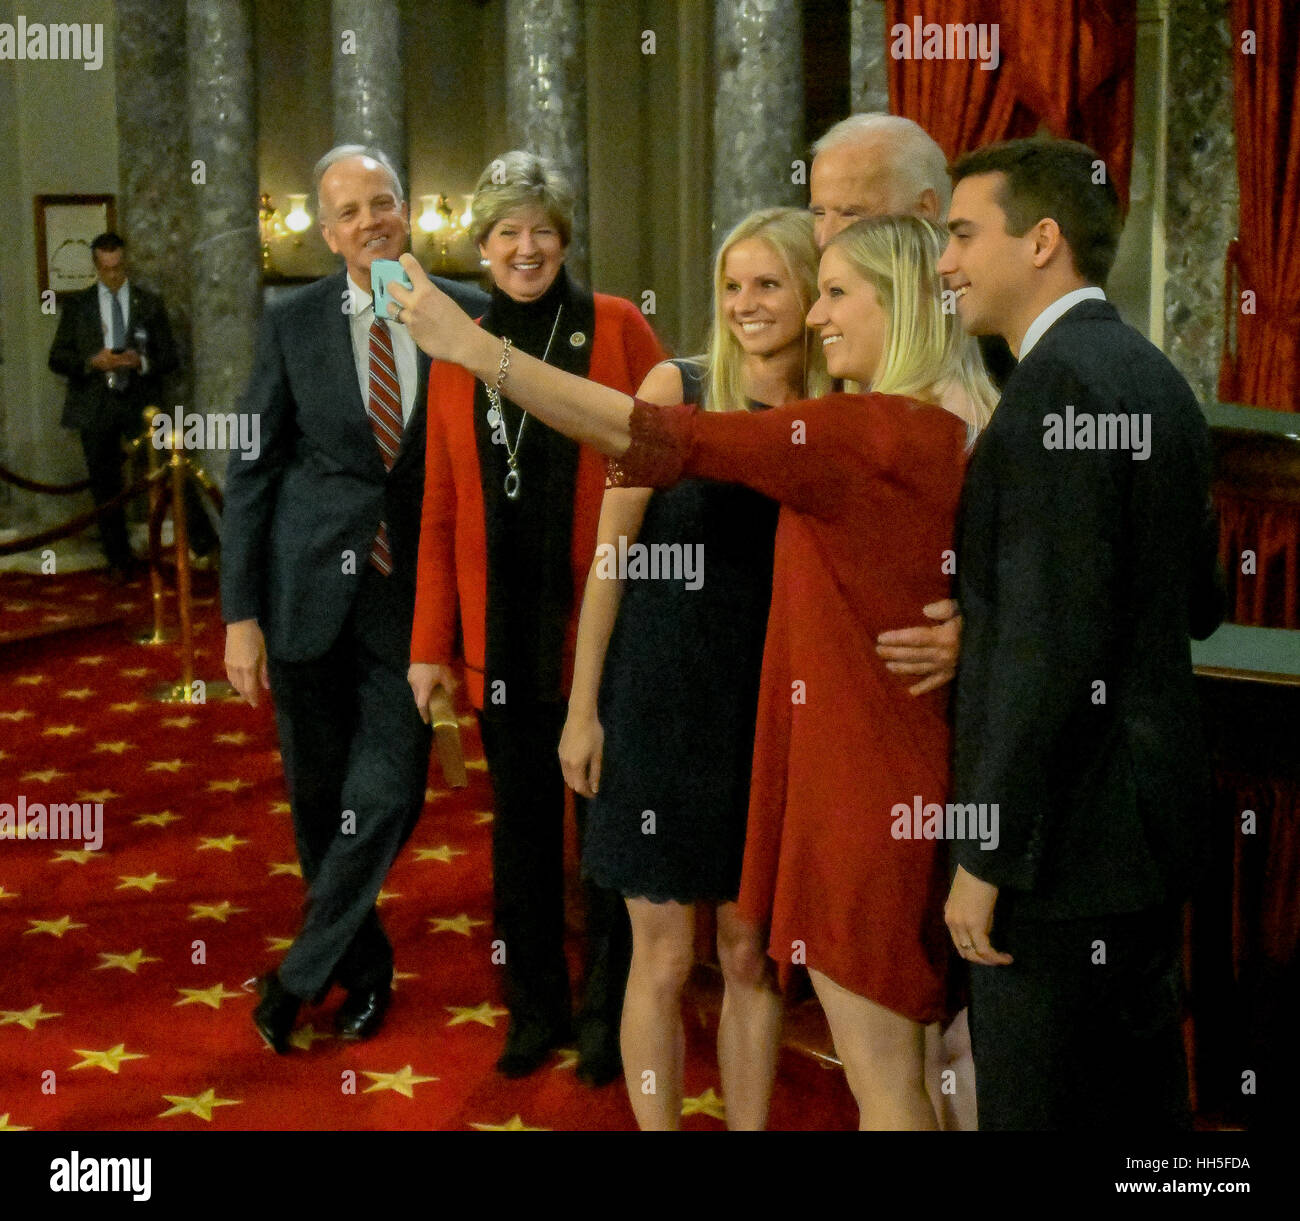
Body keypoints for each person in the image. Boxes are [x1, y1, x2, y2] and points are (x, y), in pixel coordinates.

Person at [390, 213, 997, 1129]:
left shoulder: (857, 427)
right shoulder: (948, 422)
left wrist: (478, 351)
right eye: (740, 285)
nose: (811, 312)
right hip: (801, 743)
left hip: (849, 775)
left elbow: (647, 434)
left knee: (888, 1076)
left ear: (897, 303)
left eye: (829, 292)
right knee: (902, 1061)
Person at [937, 137, 1224, 1129]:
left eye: (964, 234)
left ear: (1042, 240)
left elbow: (1045, 654)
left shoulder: (1053, 391)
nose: (944, 262)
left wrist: (983, 855)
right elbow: (1200, 602)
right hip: (1146, 837)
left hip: (1058, 858)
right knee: (1142, 1118)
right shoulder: (1153, 374)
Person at [560, 207, 829, 1129]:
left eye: (768, 283)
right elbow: (611, 559)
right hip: (660, 705)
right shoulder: (678, 386)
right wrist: (582, 706)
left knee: (752, 953)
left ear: (811, 290)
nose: (746, 303)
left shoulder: (841, 405)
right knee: (665, 957)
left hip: (774, 713)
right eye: (731, 285)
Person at [221, 145, 489, 1054]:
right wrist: (239, 615)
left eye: (384, 202)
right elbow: (252, 469)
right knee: (318, 803)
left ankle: (296, 976)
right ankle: (362, 972)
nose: (370, 220)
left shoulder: (470, 314)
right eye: (350, 211)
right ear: (328, 232)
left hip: (415, 605)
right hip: (305, 596)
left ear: (407, 212)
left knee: (384, 798)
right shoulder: (292, 322)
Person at [406, 151, 666, 1085]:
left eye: (544, 230)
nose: (528, 247)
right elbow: (436, 509)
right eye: (508, 232)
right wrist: (430, 646)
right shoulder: (454, 350)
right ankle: (533, 1010)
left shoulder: (616, 325)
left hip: (605, 629)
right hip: (501, 638)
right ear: (481, 246)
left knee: (605, 831)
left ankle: (607, 1016)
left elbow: (659, 456)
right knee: (518, 834)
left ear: (565, 239)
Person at [810, 112, 1018, 394]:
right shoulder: (824, 330)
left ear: (925, 210)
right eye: (819, 213)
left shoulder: (996, 330)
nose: (825, 238)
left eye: (850, 213)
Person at [47, 233, 186, 581]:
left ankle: (196, 547)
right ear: (96, 267)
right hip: (96, 403)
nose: (113, 274)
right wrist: (92, 362)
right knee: (105, 486)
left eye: (118, 267)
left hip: (141, 404)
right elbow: (57, 358)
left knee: (167, 473)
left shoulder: (148, 303)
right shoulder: (79, 307)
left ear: (126, 263)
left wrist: (141, 362)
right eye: (106, 268)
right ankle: (118, 560)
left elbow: (170, 357)